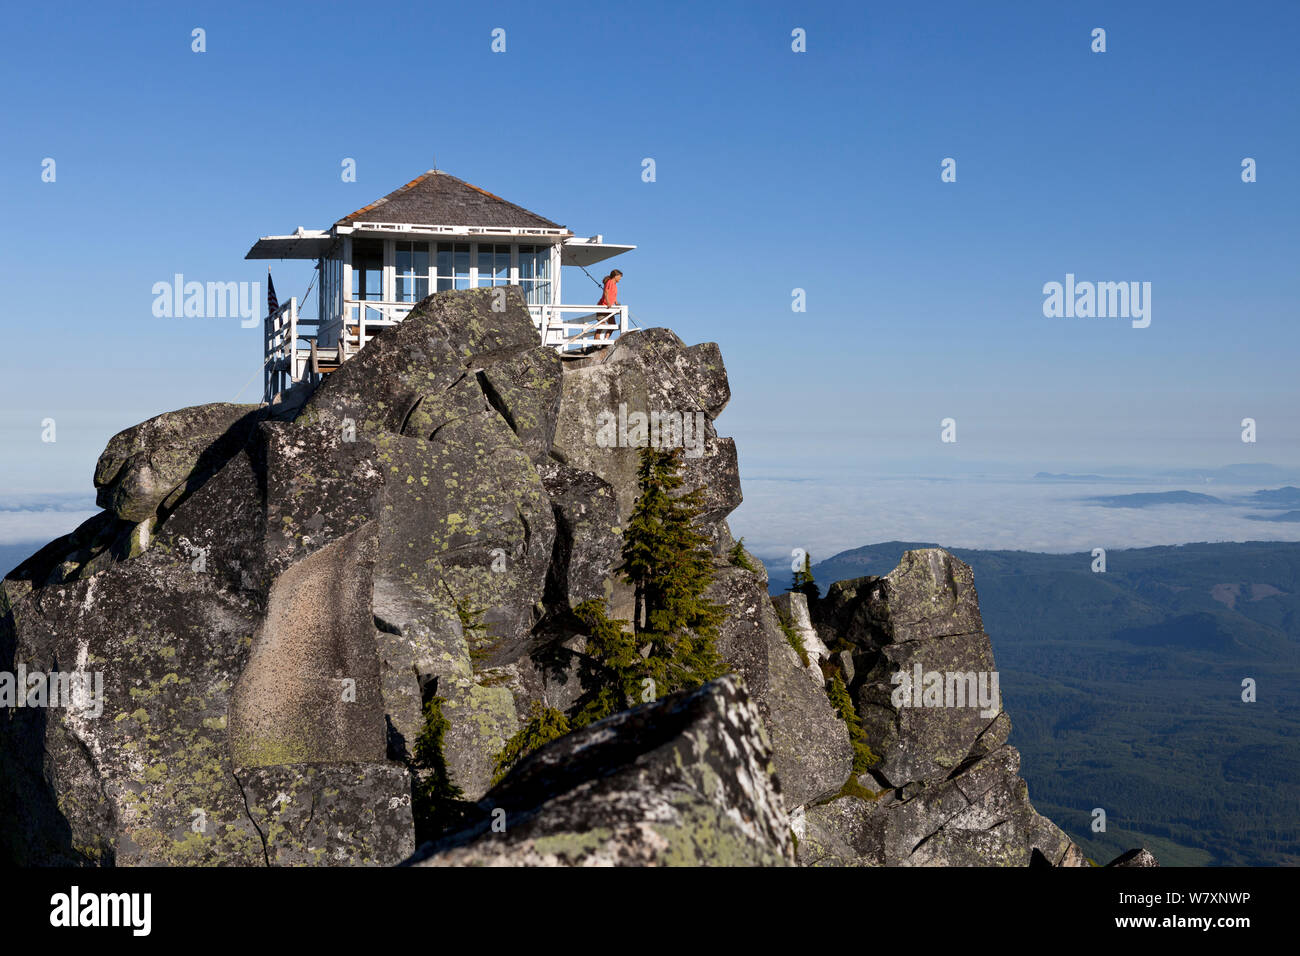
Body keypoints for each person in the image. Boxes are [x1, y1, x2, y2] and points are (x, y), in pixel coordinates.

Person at [595, 269, 622, 340]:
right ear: (615, 276)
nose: (620, 278)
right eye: (619, 276)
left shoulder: (615, 285)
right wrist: (608, 302)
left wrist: (616, 302)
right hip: (603, 306)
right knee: (602, 324)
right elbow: (606, 292)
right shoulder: (609, 282)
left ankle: (606, 339)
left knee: (612, 325)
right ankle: (595, 341)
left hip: (609, 308)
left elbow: (613, 295)